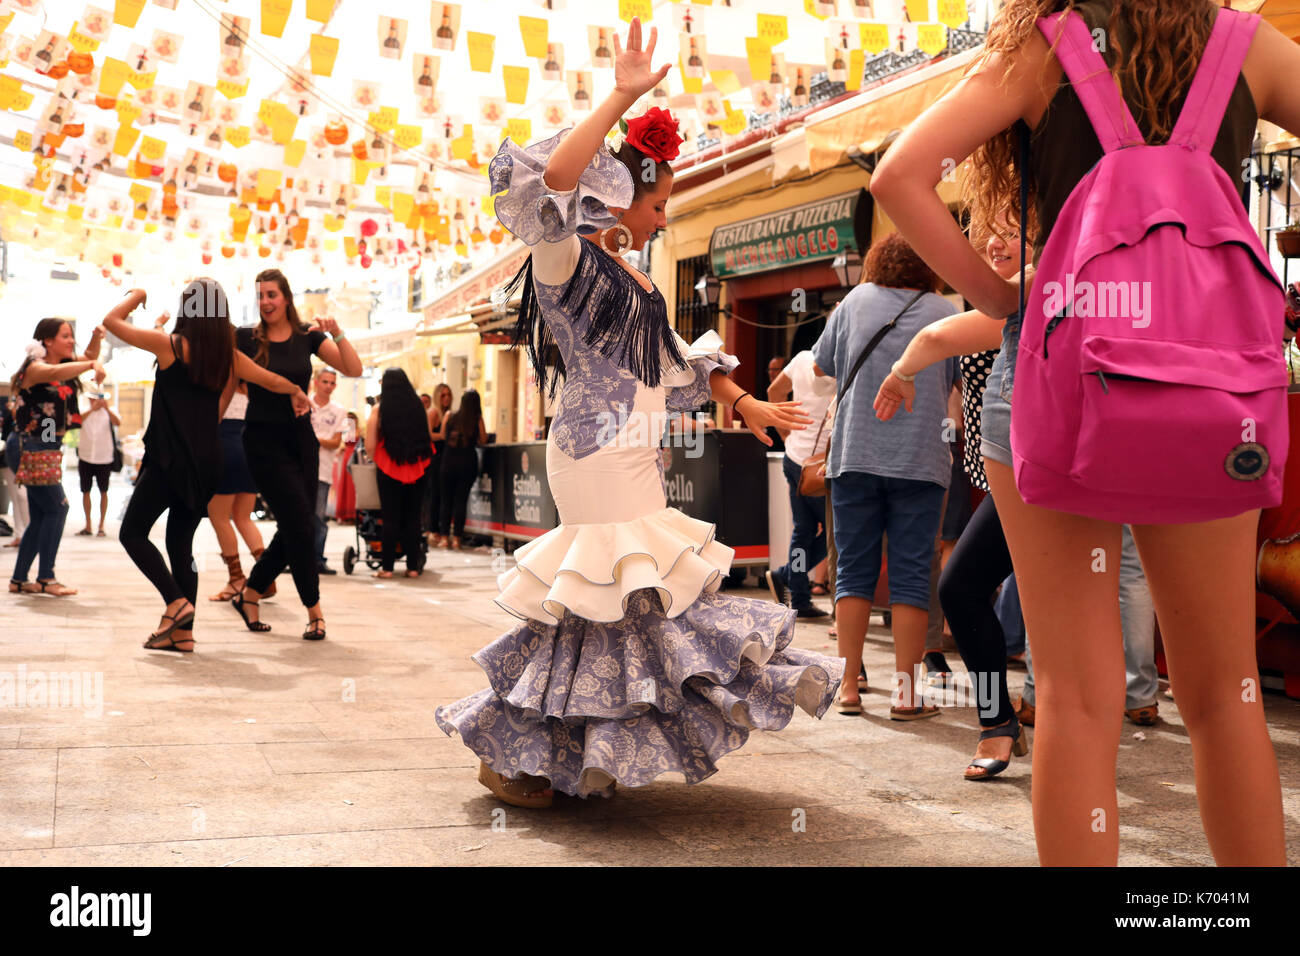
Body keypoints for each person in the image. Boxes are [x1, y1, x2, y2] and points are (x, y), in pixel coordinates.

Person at [870, 0, 1295, 864]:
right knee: (1225, 693)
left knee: (1073, 695)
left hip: (1060, 383)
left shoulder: (1045, 48)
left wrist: (997, 300)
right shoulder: (1250, 47)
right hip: (1213, 399)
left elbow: (899, 176)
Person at [435, 18, 841, 808]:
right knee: (624, 598)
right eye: (659, 203)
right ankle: (527, 748)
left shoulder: (631, 276)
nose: (663, 217)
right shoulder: (564, 257)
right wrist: (620, 95)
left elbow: (668, 373)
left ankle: (535, 756)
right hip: (594, 455)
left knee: (619, 606)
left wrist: (741, 398)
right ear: (619, 199)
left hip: (634, 451)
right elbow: (554, 182)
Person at [103, 285, 308, 652]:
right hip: (209, 461)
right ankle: (184, 633)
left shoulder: (171, 345)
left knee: (132, 533)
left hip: (171, 460)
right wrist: (296, 390)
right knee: (180, 543)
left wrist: (136, 295)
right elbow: (270, 380)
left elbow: (111, 322)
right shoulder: (227, 357)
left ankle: (176, 603)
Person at [811, 233, 959, 719]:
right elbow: (955, 376)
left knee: (851, 570)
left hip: (856, 455)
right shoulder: (945, 311)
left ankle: (849, 687)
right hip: (921, 459)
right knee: (912, 575)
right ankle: (906, 694)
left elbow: (821, 364)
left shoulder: (854, 301)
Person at [233, 269, 362, 642]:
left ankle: (252, 592)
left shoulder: (308, 336)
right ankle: (314, 612)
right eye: (260, 296)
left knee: (297, 523)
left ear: (286, 298)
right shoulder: (246, 338)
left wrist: (336, 331)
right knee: (302, 526)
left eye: (272, 295)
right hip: (261, 440)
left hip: (300, 439)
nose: (265, 302)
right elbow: (233, 380)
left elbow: (353, 368)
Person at [7, 320, 105, 596]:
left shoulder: (63, 364)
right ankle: (46, 578)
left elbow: (87, 358)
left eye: (72, 336)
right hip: (31, 445)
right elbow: (64, 369)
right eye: (66, 336)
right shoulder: (36, 369)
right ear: (48, 341)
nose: (71, 341)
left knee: (41, 515)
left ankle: (18, 579)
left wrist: (96, 337)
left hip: (45, 446)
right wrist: (91, 366)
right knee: (58, 508)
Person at [764, 349, 834, 619]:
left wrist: (787, 435)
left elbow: (774, 392)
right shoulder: (840, 362)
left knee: (804, 529)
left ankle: (799, 596)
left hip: (795, 458)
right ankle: (787, 577)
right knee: (834, 532)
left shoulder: (802, 357)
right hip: (817, 466)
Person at [207, 381, 273, 602]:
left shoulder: (219, 382)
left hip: (225, 447)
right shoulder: (252, 384)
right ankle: (267, 577)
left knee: (219, 518)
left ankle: (236, 579)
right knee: (243, 518)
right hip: (250, 449)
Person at [366, 368, 433, 578]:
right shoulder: (418, 408)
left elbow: (369, 444)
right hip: (418, 464)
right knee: (413, 517)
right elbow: (428, 437)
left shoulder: (379, 410)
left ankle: (387, 568)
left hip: (389, 465)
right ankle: (413, 567)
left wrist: (375, 458)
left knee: (390, 517)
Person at [435, 389, 484, 551]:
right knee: (460, 501)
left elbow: (442, 435)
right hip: (467, 463)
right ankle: (456, 539)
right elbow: (483, 439)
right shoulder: (477, 419)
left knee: (446, 501)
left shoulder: (449, 415)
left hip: (448, 462)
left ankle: (443, 538)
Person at [309, 368, 347, 575]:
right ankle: (291, 558)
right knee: (296, 516)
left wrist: (314, 440)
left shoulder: (339, 411)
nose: (328, 386)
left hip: (323, 471)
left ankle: (317, 559)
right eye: (325, 382)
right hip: (299, 469)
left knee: (318, 518)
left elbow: (336, 442)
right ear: (316, 382)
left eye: (332, 383)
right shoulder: (304, 403)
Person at [75, 391, 119, 537]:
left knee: (103, 491)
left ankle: (101, 525)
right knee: (85, 491)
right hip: (85, 455)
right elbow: (75, 422)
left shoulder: (110, 411)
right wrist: (91, 409)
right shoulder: (83, 411)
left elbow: (118, 422)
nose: (96, 401)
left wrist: (106, 408)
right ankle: (88, 525)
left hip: (104, 457)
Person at [426, 382, 453, 547]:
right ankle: (433, 530)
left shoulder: (447, 413)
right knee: (435, 495)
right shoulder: (433, 412)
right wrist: (443, 434)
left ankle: (439, 530)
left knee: (443, 496)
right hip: (435, 457)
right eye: (443, 395)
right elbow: (428, 435)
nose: (447, 398)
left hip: (445, 457)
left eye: (449, 395)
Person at [2, 396, 29, 550]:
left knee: (24, 497)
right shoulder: (9, 415)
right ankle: (21, 534)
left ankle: (28, 534)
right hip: (11, 458)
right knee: (18, 497)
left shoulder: (44, 408)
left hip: (35, 458)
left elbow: (50, 435)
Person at [333, 411, 362, 524]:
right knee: (345, 485)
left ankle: (354, 514)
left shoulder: (358, 431)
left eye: (352, 418)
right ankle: (345, 514)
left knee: (353, 486)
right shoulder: (345, 431)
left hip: (354, 457)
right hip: (346, 457)